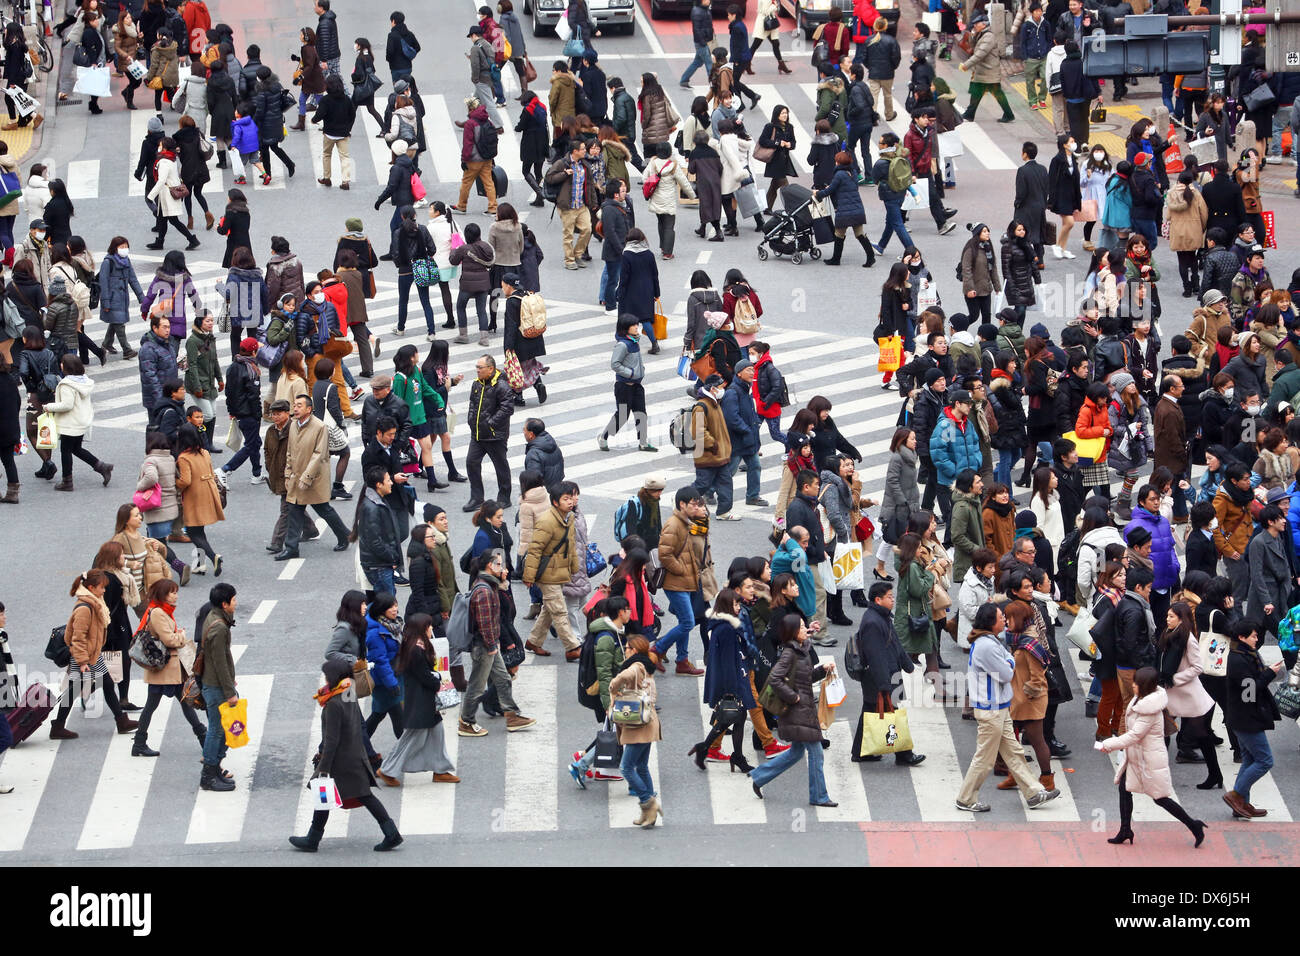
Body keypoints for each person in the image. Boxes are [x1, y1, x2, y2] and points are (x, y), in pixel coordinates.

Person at [287, 657, 404, 851]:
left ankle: (313, 839)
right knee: (350, 796)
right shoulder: (348, 691)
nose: (325, 680)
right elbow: (357, 723)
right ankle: (390, 833)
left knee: (340, 795)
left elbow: (332, 740)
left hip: (341, 760)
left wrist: (323, 766)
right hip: (354, 754)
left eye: (326, 676)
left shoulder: (333, 703)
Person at [1093, 665, 1207, 845]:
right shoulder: (1142, 699)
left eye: (1136, 683)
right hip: (1138, 757)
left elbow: (1134, 735)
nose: (1133, 686)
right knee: (1124, 789)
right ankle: (1125, 830)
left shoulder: (1149, 709)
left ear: (1144, 686)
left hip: (1149, 760)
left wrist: (1107, 745)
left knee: (1160, 799)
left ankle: (1194, 825)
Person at [748, 615, 837, 807]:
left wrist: (822, 670)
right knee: (816, 753)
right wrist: (793, 697)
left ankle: (759, 776)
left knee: (796, 752)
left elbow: (804, 678)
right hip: (798, 711)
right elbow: (775, 679)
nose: (806, 630)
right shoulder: (790, 653)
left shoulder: (800, 650)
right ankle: (819, 796)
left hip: (803, 710)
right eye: (802, 627)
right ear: (794, 633)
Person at [457, 548, 537, 737]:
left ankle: (512, 715)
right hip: (485, 647)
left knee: (503, 679)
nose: (505, 569)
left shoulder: (490, 585)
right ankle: (466, 722)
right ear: (489, 566)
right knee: (477, 686)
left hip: (491, 645)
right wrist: (493, 645)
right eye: (499, 565)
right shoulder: (484, 590)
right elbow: (485, 623)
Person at [374, 613, 459, 787]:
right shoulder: (416, 650)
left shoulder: (415, 645)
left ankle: (441, 770)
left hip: (423, 700)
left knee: (437, 734)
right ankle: (388, 770)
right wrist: (438, 682)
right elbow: (425, 677)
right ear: (421, 629)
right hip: (420, 701)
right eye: (429, 626)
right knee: (412, 738)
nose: (431, 629)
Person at [851, 580, 926, 765]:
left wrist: (907, 664)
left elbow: (895, 645)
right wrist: (884, 685)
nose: (893, 600)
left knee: (870, 711)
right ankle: (904, 754)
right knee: (892, 713)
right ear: (878, 600)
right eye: (889, 597)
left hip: (884, 675)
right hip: (880, 678)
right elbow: (875, 656)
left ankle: (860, 752)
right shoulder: (872, 622)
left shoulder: (881, 617)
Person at [692, 589, 756, 771]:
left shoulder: (718, 622)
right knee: (735, 715)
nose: (739, 608)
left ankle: (707, 749)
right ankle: (735, 756)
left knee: (734, 716)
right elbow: (728, 661)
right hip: (732, 678)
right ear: (728, 605)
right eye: (736, 604)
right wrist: (732, 690)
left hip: (724, 676)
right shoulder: (727, 629)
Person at [523, 481, 582, 660]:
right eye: (566, 499)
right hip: (547, 574)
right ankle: (572, 647)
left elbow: (570, 545)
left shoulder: (568, 518)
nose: (570, 502)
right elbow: (535, 549)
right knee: (558, 610)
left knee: (549, 610)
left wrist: (574, 567)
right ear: (555, 502)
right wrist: (529, 576)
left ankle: (533, 641)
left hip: (560, 571)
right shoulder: (547, 521)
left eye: (571, 498)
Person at [462, 354, 513, 512]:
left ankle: (504, 497)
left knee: (500, 466)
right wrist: (471, 420)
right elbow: (472, 403)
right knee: (471, 462)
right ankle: (477, 498)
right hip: (477, 434)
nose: (477, 370)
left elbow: (507, 408)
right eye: (477, 367)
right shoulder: (476, 384)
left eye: (480, 367)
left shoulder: (502, 386)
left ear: (490, 369)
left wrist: (490, 423)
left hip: (494, 435)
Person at [958, 14, 1012, 123]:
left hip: (989, 71)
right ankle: (969, 113)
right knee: (976, 92)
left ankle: (1008, 114)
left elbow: (979, 54)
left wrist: (966, 65)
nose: (974, 26)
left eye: (976, 24)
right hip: (983, 71)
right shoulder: (981, 34)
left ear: (983, 24)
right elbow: (973, 46)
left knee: (997, 94)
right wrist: (973, 34)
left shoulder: (989, 37)